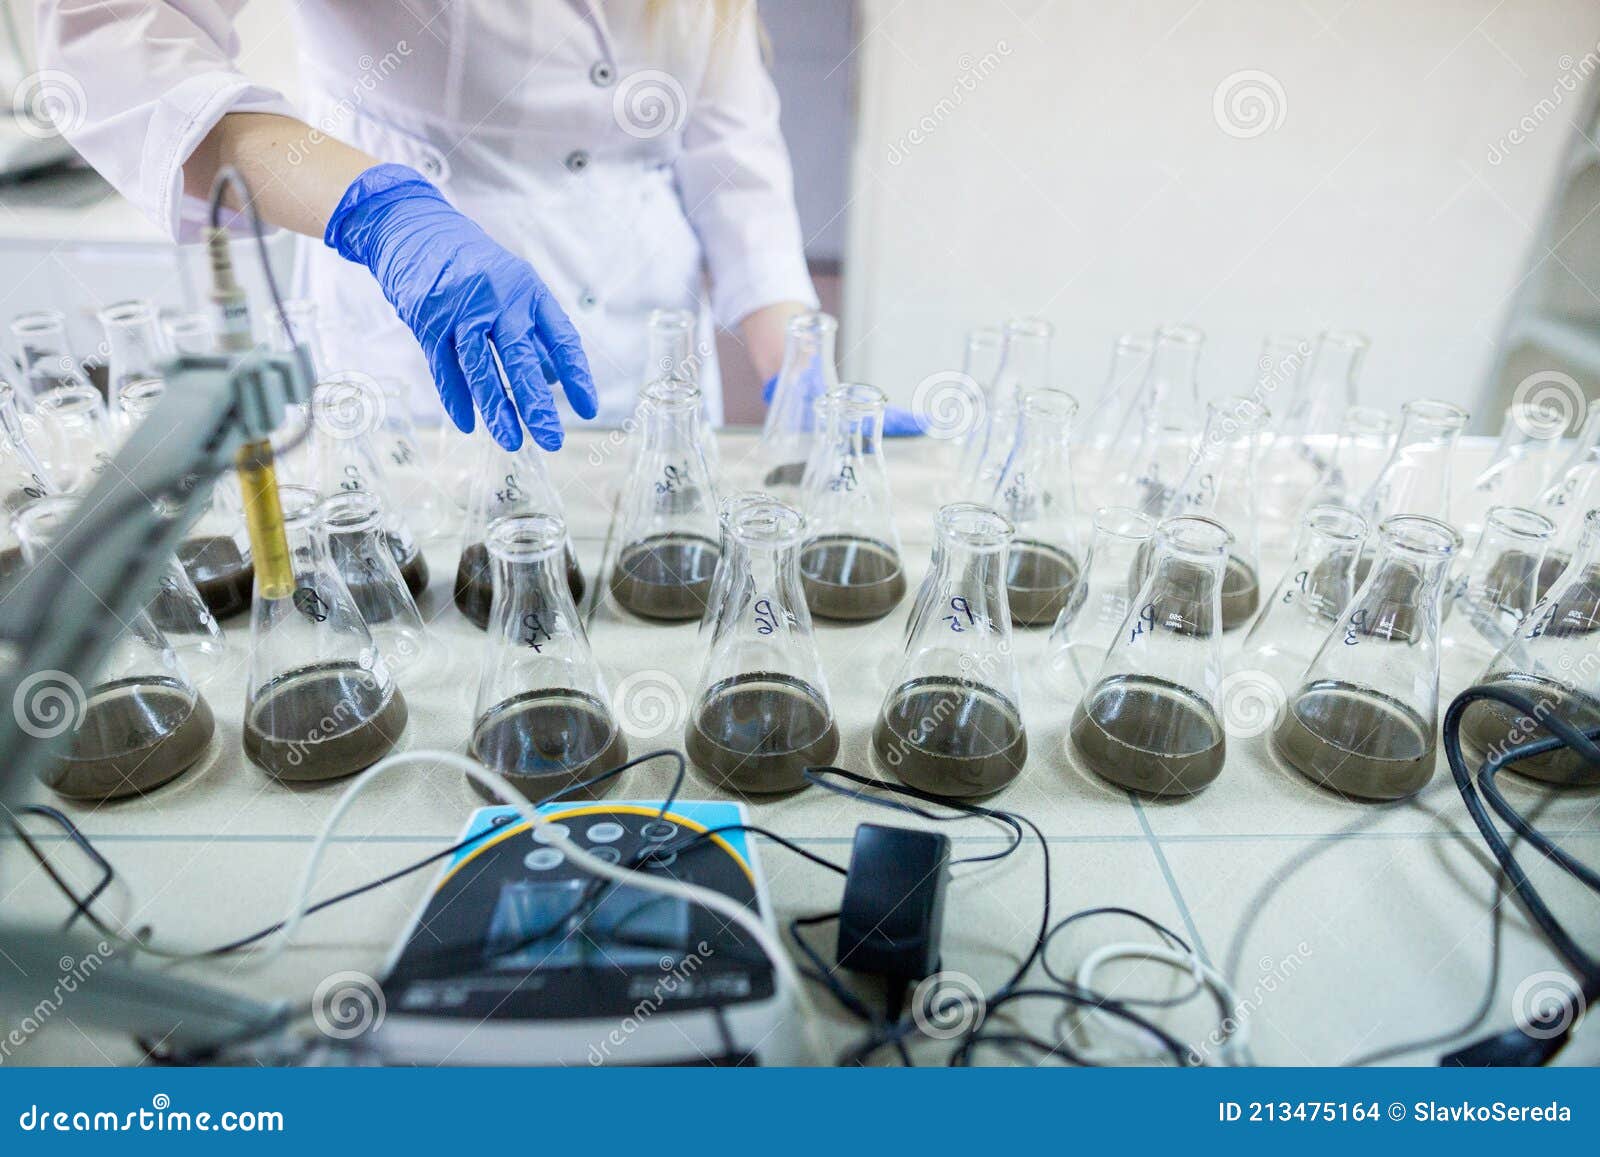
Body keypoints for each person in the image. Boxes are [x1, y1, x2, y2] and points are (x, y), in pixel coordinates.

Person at [39, 0, 822, 452]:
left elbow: (731, 144)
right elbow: (111, 41)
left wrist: (796, 363)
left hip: (650, 336)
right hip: (424, 340)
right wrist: (380, 211)